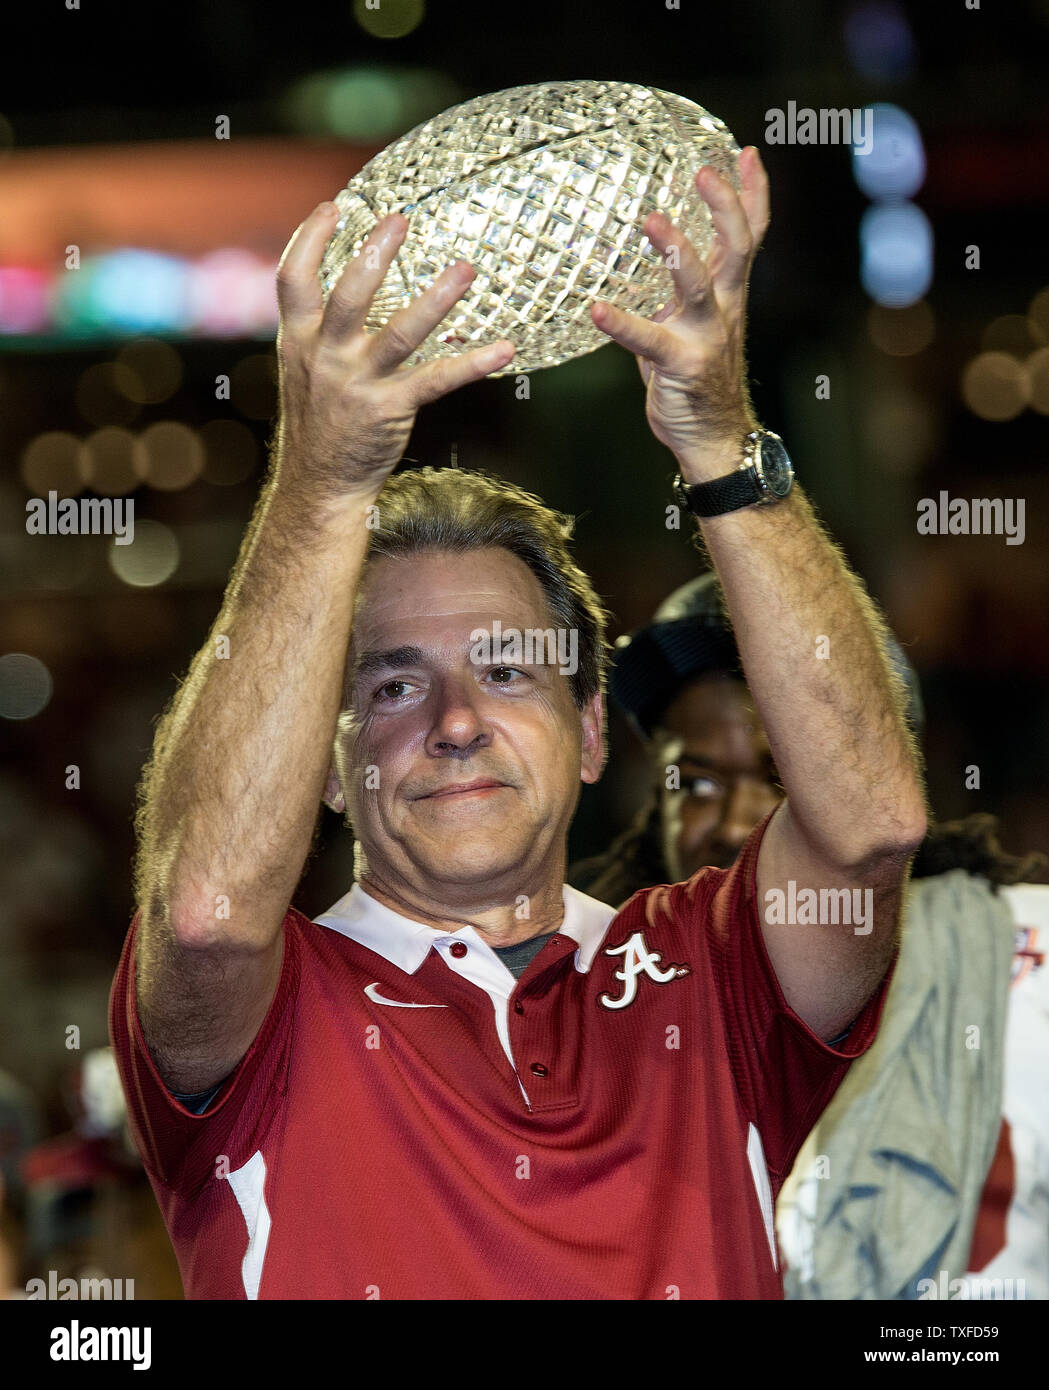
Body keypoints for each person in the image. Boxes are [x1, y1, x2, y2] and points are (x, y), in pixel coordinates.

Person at [109, 148, 926, 1299]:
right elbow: (201, 916)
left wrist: (719, 445)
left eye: (506, 671)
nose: (453, 722)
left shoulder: (711, 969)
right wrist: (319, 487)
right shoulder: (271, 1012)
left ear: (591, 730)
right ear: (327, 768)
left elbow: (872, 826)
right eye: (391, 686)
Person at [575, 573, 1048, 1299]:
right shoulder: (572, 981)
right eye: (695, 782)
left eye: (781, 778)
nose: (735, 821)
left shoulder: (1017, 952)